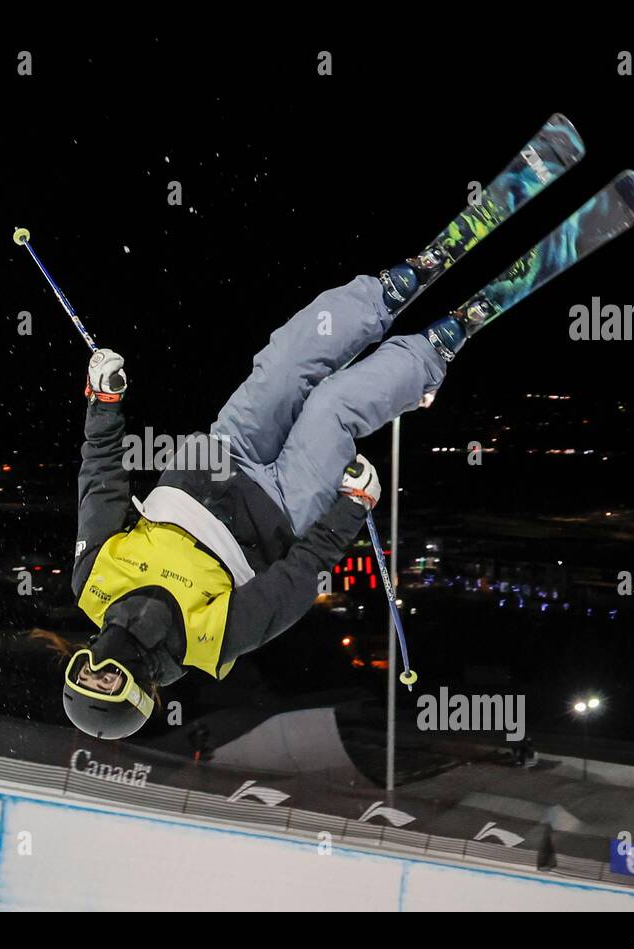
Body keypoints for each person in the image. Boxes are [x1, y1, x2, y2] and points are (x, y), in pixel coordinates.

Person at [63, 264, 458, 739]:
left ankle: (382, 296)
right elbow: (293, 585)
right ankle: (427, 357)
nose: (100, 666)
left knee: (286, 364)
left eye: (84, 673)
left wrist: (103, 404)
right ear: (141, 688)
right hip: (281, 503)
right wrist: (351, 507)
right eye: (107, 682)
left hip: (218, 456)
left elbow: (101, 486)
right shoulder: (208, 643)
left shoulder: (92, 583)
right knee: (332, 407)